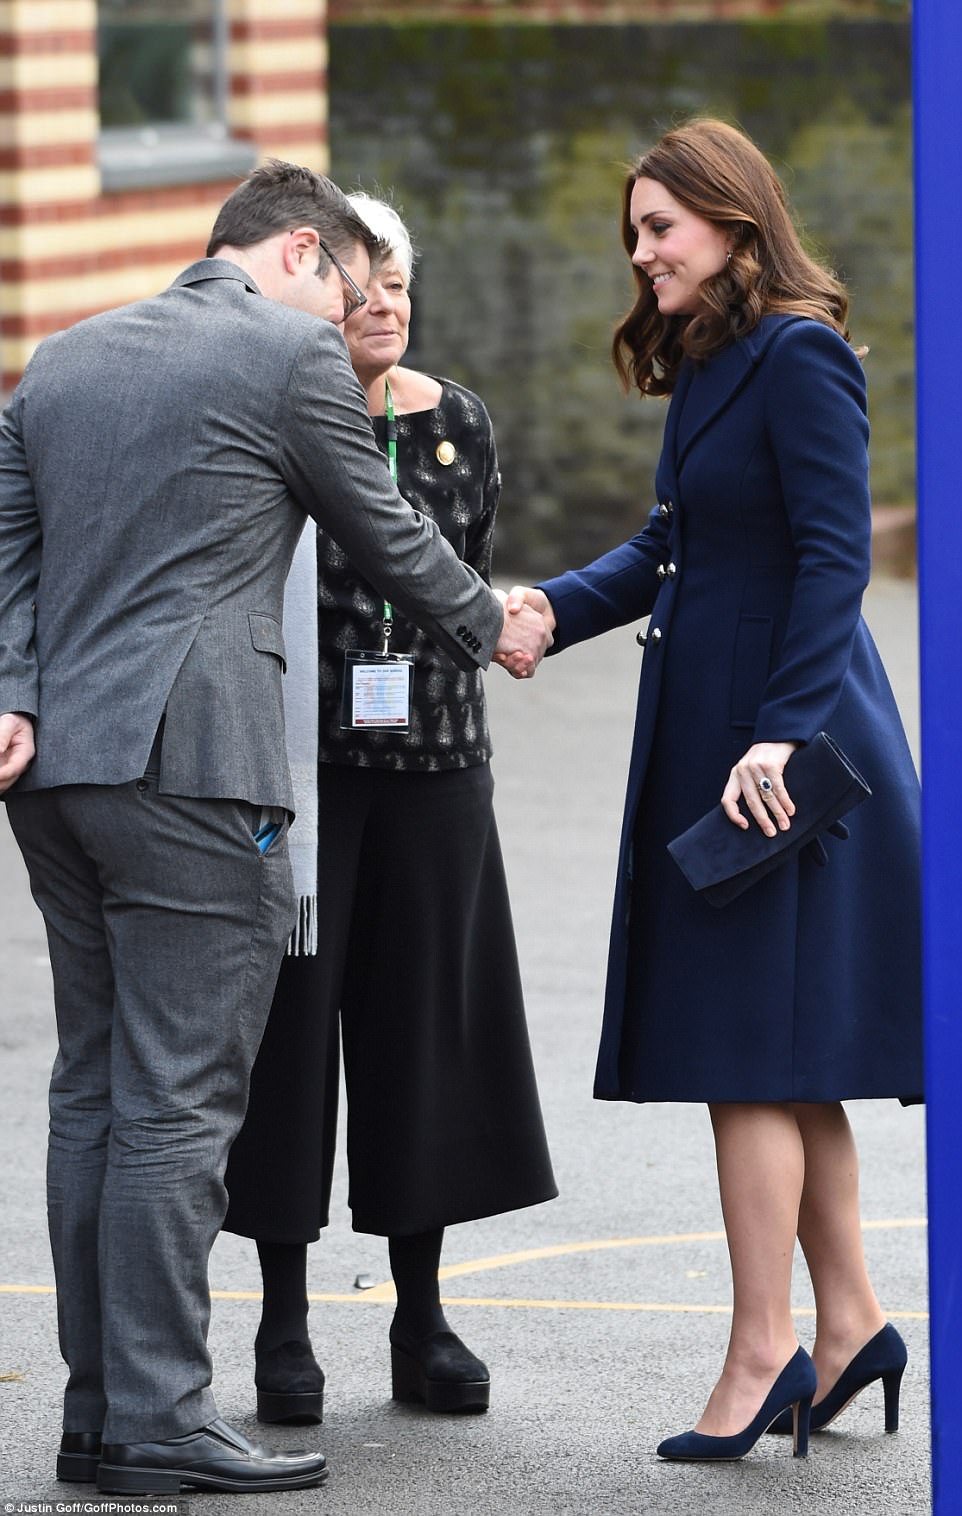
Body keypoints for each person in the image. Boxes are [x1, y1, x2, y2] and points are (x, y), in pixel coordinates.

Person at [0, 161, 551, 1497]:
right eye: (351, 288)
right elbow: (383, 537)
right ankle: (162, 1415)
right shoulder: (288, 358)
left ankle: (99, 1408)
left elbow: (8, 555)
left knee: (99, 1088)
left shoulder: (59, 360)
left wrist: (12, 696)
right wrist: (493, 620)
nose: (356, 314)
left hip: (56, 776)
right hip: (196, 773)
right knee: (182, 1106)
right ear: (302, 252)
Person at [504, 118, 922, 1462]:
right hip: (728, 732)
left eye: (659, 231)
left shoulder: (798, 356)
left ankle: (763, 1353)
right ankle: (849, 1323)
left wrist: (778, 734)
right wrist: (540, 614)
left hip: (779, 749)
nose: (641, 256)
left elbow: (829, 554)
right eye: (633, 235)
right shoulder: (709, 364)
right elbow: (667, 549)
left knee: (749, 1056)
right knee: (785, 1059)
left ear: (733, 224)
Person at [223, 193, 557, 1422]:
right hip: (302, 776)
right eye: (364, 290)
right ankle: (284, 1327)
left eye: (401, 287)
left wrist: (508, 614)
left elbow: (465, 569)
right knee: (289, 1046)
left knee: (427, 1042)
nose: (385, 307)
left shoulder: (458, 420)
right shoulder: (278, 415)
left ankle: (422, 1320)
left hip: (435, 774)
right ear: (323, 298)